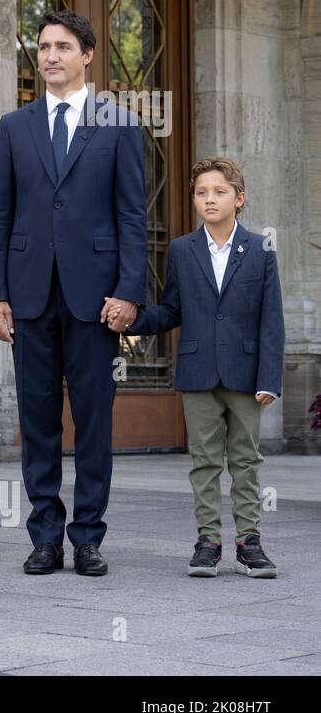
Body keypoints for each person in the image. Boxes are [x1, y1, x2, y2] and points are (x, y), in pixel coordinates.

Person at [0, 9, 147, 577]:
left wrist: (129, 291)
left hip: (96, 300)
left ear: (87, 56)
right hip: (28, 296)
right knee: (39, 419)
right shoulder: (14, 126)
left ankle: (89, 537)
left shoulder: (120, 126)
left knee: (95, 420)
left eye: (62, 46)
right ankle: (46, 535)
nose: (50, 56)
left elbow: (132, 217)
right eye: (43, 46)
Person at [112, 157, 284, 578]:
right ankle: (209, 541)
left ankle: (250, 544)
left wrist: (270, 380)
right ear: (193, 200)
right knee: (204, 462)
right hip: (198, 373)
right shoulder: (182, 250)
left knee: (245, 461)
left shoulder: (261, 249)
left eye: (219, 191)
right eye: (201, 192)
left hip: (246, 377)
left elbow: (271, 321)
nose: (209, 199)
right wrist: (134, 320)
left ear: (238, 198)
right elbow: (173, 309)